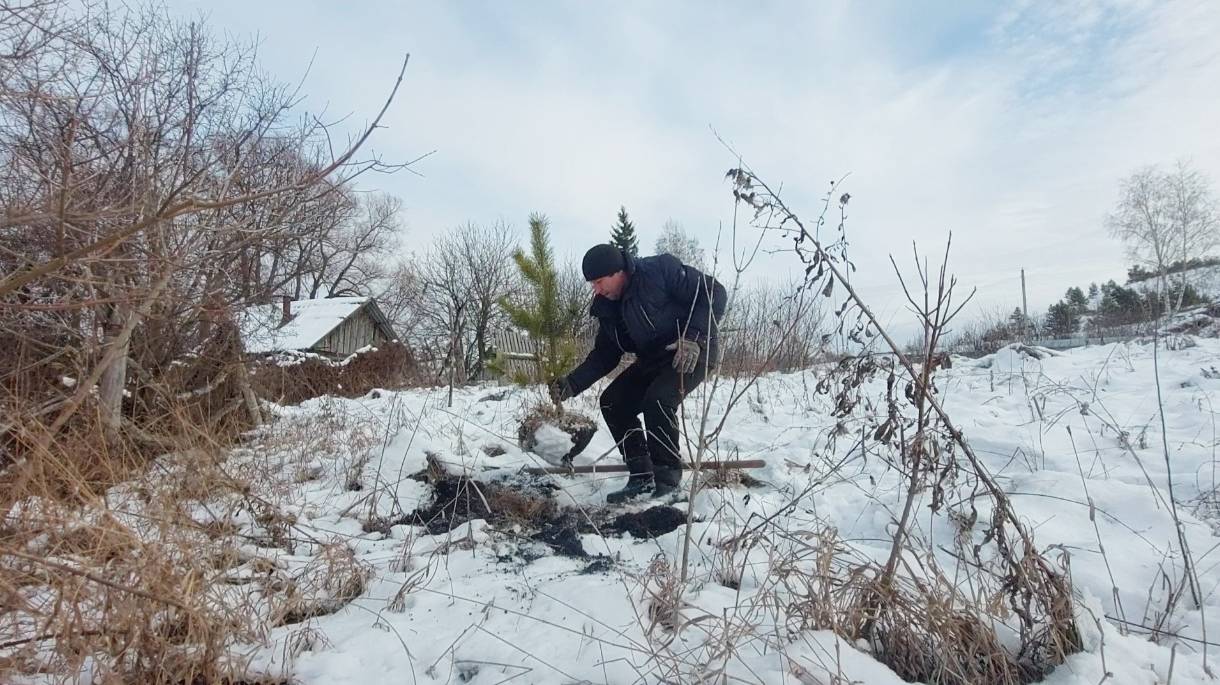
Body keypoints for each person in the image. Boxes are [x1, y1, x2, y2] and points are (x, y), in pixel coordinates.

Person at [550, 243, 726, 503]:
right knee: (613, 402)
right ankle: (641, 475)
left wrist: (695, 337)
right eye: (592, 284)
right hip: (654, 359)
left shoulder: (659, 271)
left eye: (599, 282)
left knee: (658, 400)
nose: (596, 290)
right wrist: (571, 384)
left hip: (692, 352)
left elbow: (713, 292)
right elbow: (604, 356)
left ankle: (667, 481)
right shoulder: (608, 308)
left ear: (618, 272)